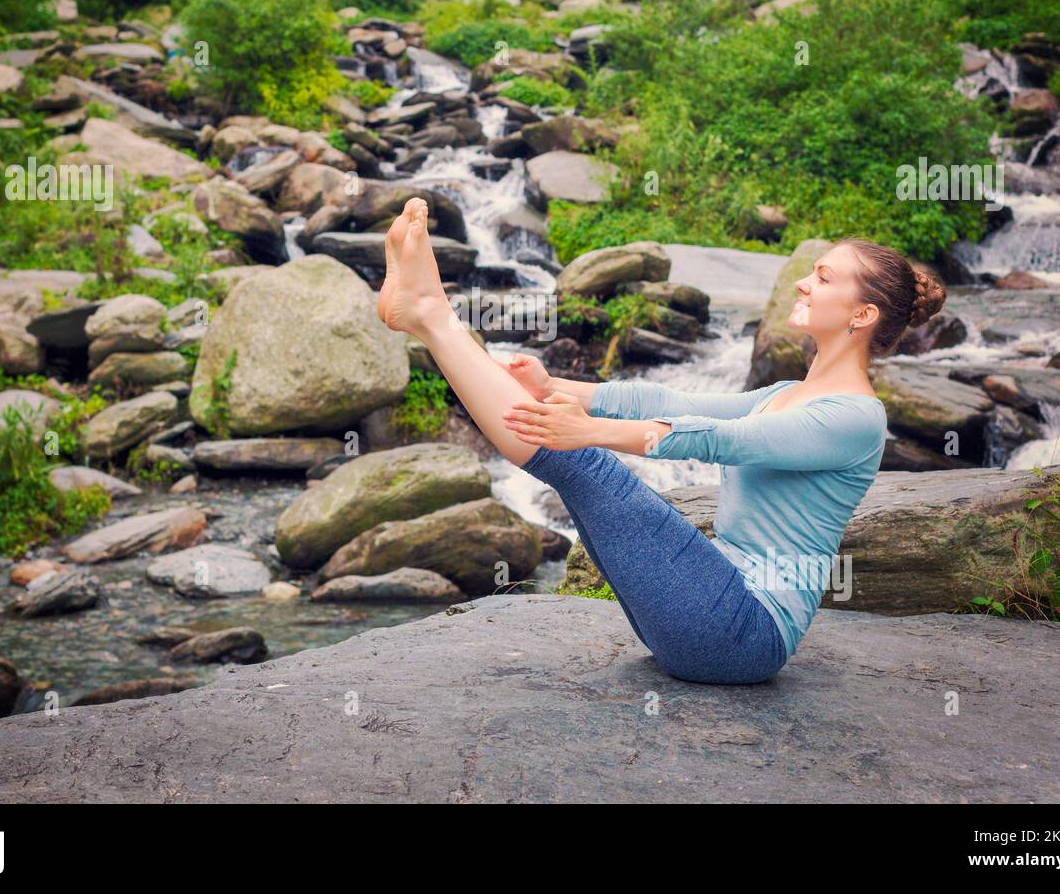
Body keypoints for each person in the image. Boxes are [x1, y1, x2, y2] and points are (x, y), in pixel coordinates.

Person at [377, 197, 947, 684]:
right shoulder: (785, 391)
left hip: (743, 632)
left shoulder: (856, 418)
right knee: (576, 458)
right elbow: (676, 404)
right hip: (711, 608)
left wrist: (593, 433)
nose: (803, 280)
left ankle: (431, 315)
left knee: (582, 462)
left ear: (863, 313)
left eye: (823, 277)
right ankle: (428, 315)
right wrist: (562, 388)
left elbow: (724, 440)